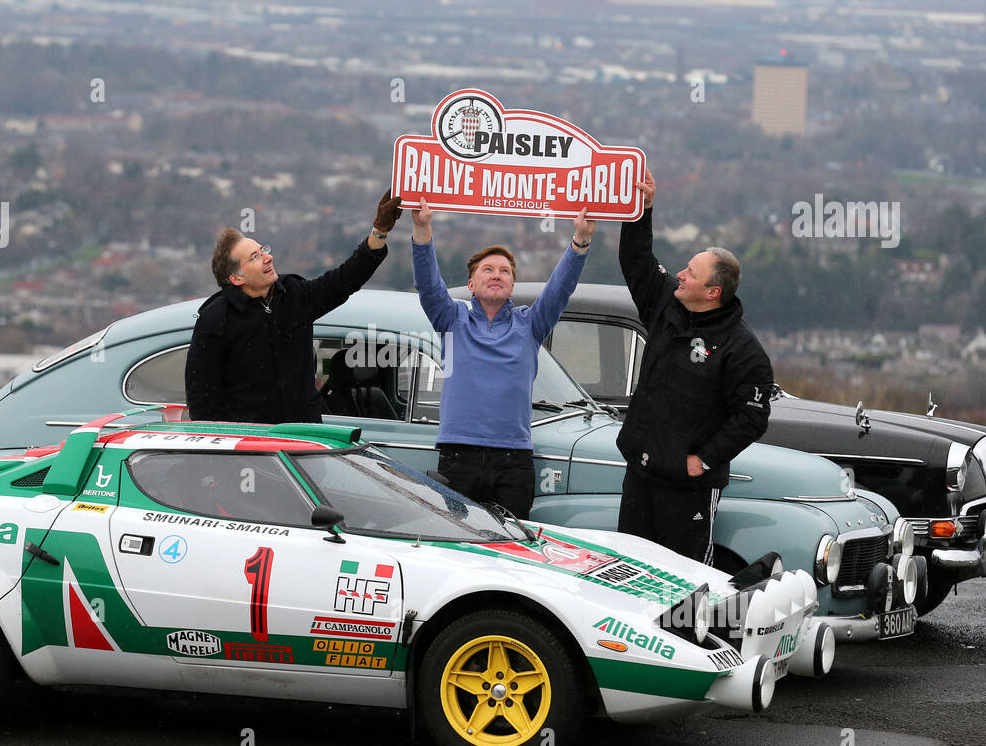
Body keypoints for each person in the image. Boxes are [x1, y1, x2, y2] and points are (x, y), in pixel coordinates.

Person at [616, 170, 773, 565]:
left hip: (688, 488)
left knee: (681, 579)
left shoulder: (743, 350)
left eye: (690, 273)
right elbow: (635, 261)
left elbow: (751, 418)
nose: (680, 275)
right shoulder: (667, 303)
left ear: (713, 292)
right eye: (684, 268)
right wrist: (642, 209)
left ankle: (682, 631)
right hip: (641, 470)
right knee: (630, 572)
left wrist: (703, 460)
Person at [411, 197, 594, 517]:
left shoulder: (530, 324)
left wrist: (580, 241)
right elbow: (428, 286)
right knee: (456, 547)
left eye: (505, 271)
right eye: (487, 269)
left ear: (512, 285)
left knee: (511, 551)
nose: (497, 274)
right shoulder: (452, 320)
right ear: (471, 283)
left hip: (513, 460)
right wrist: (423, 229)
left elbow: (559, 290)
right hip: (458, 456)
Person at [184, 191, 403, 424]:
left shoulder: (293, 294)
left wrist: (379, 231)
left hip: (303, 438)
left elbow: (344, 280)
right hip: (252, 445)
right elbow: (202, 399)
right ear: (236, 278)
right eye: (255, 257)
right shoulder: (215, 319)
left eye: (263, 250)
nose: (267, 258)